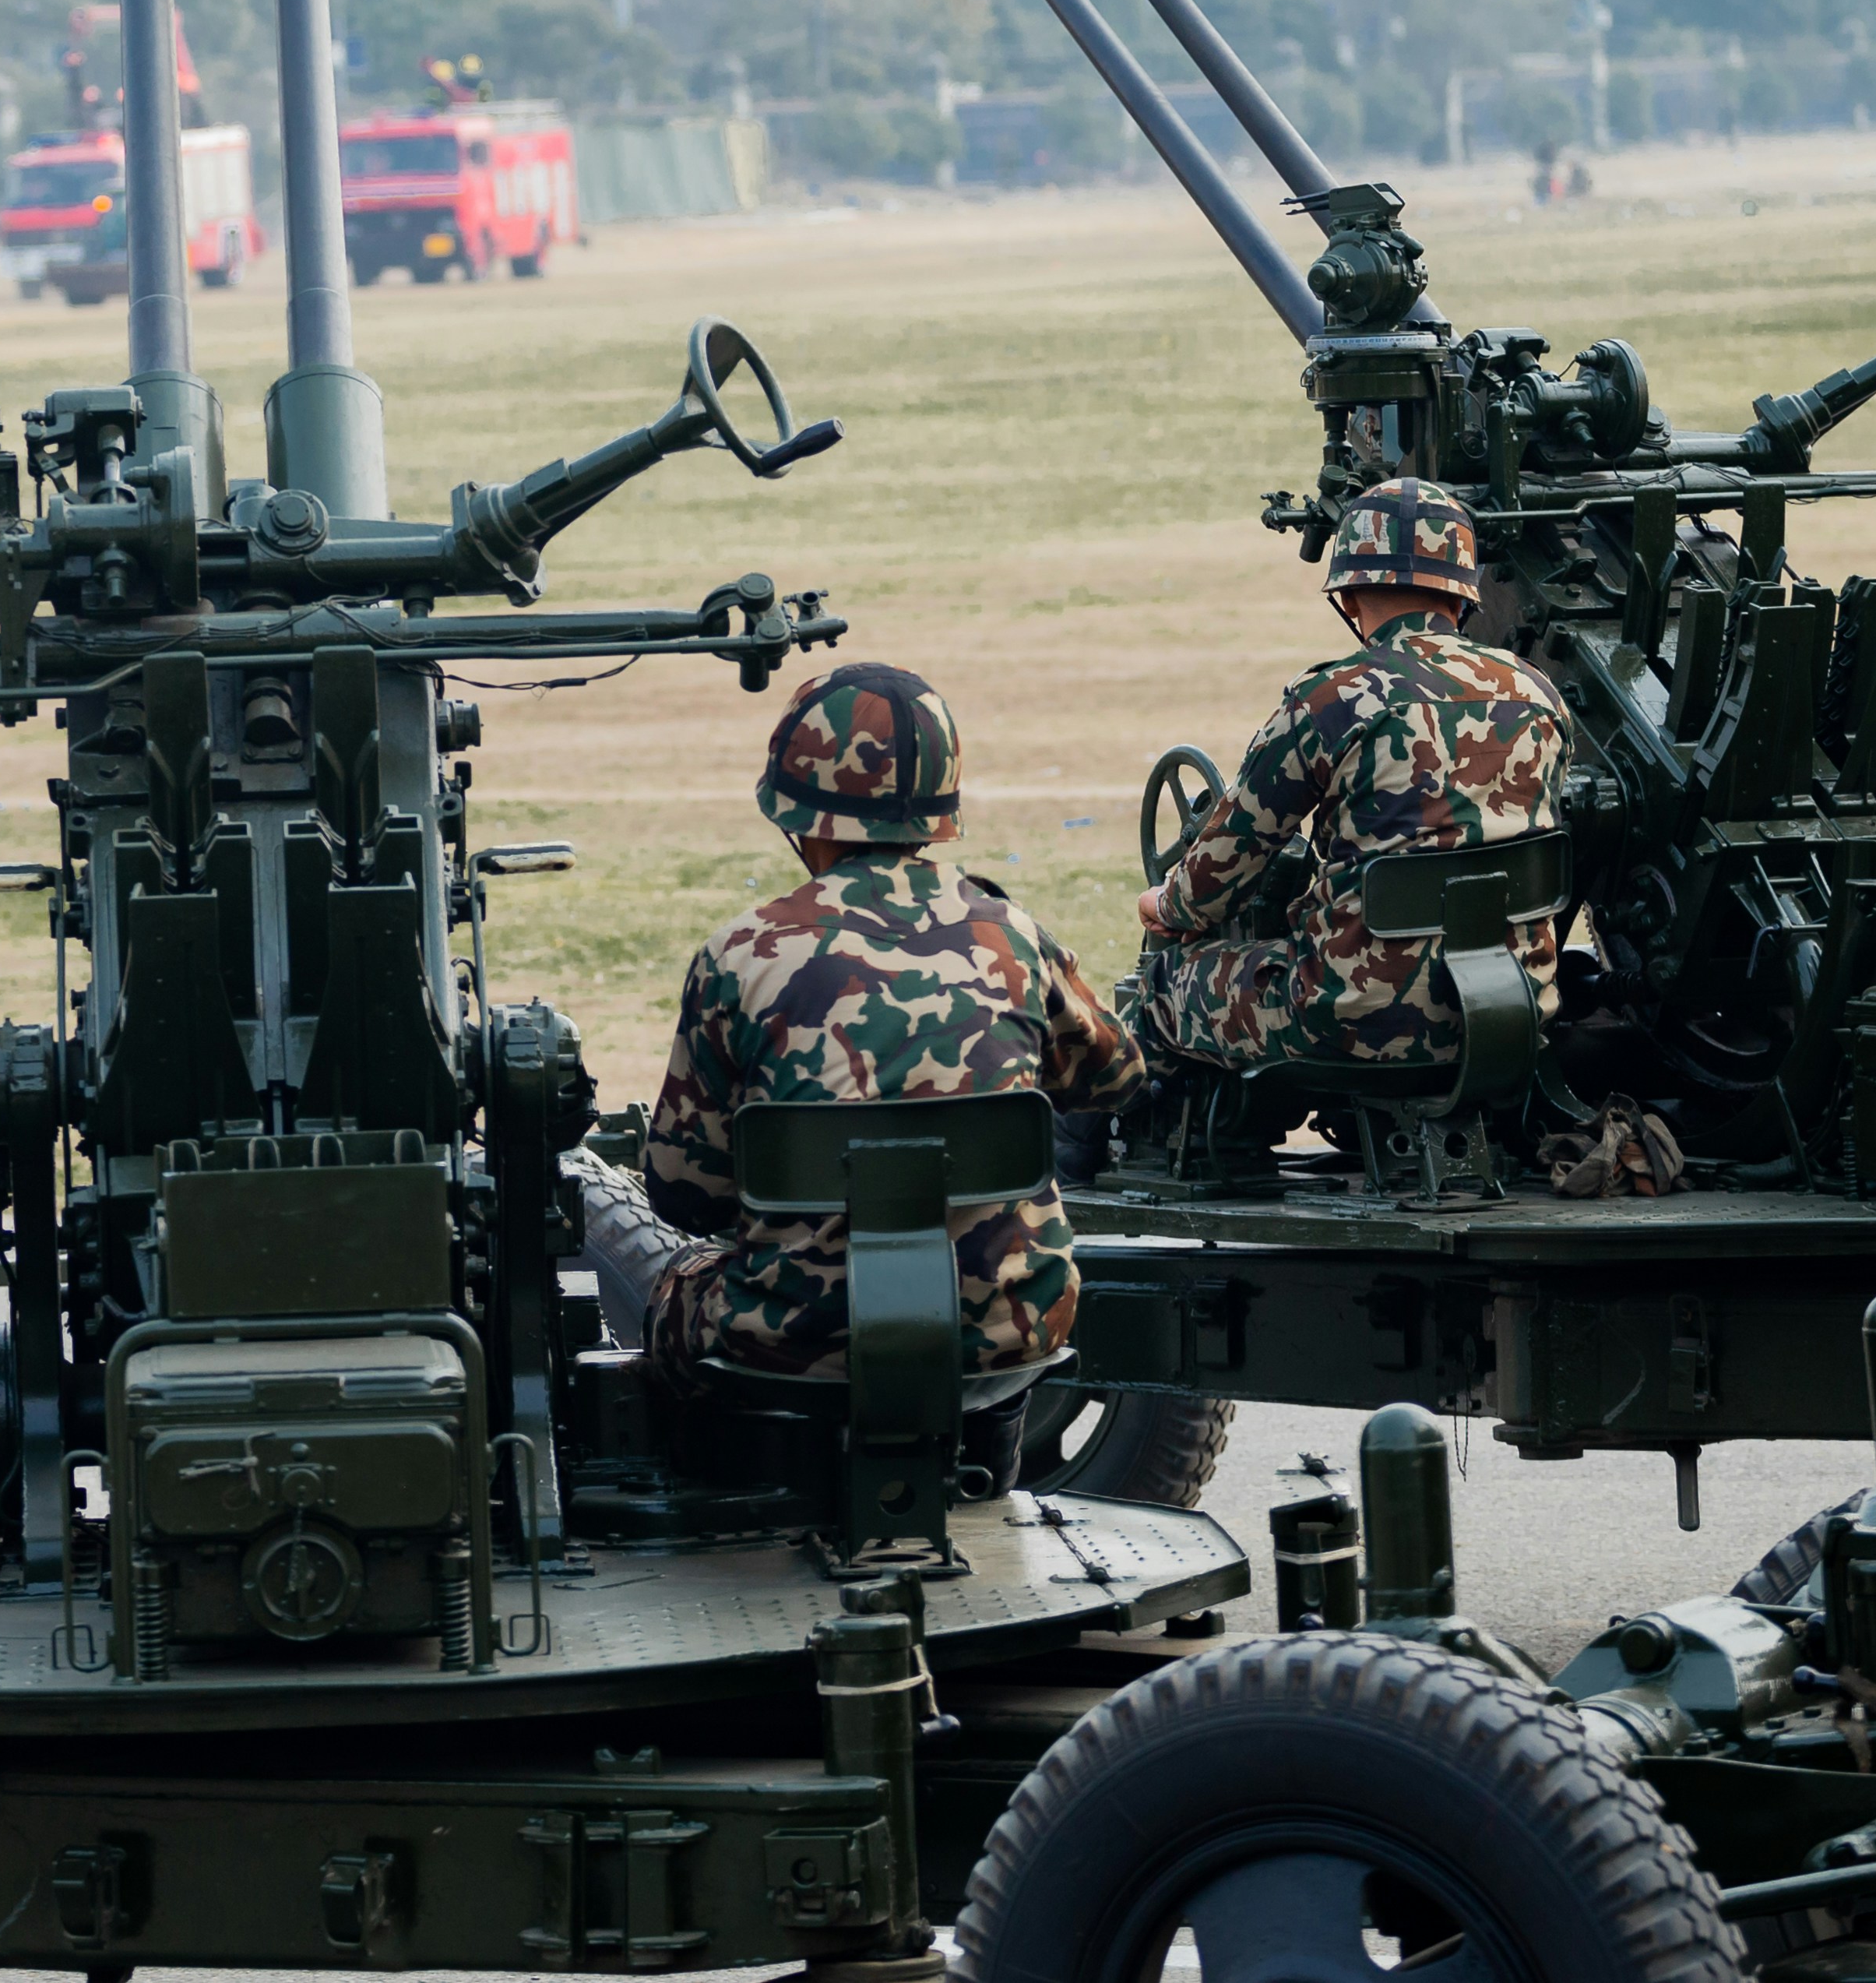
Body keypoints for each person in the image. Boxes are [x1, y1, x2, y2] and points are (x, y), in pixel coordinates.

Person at [582, 662, 1128, 1397]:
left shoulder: (739, 955)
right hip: (1011, 1327)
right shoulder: (1014, 936)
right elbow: (1114, 1077)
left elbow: (687, 1195)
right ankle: (983, 1485)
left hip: (788, 1339)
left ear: (796, 812)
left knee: (677, 1285)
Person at [1132, 478, 1568, 1078]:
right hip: (1512, 1009)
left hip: (1348, 1019)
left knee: (1159, 984)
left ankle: (1202, 1157)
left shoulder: (1332, 699)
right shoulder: (1538, 694)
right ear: (1462, 596)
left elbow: (1217, 876)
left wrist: (1167, 901)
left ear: (1351, 595)